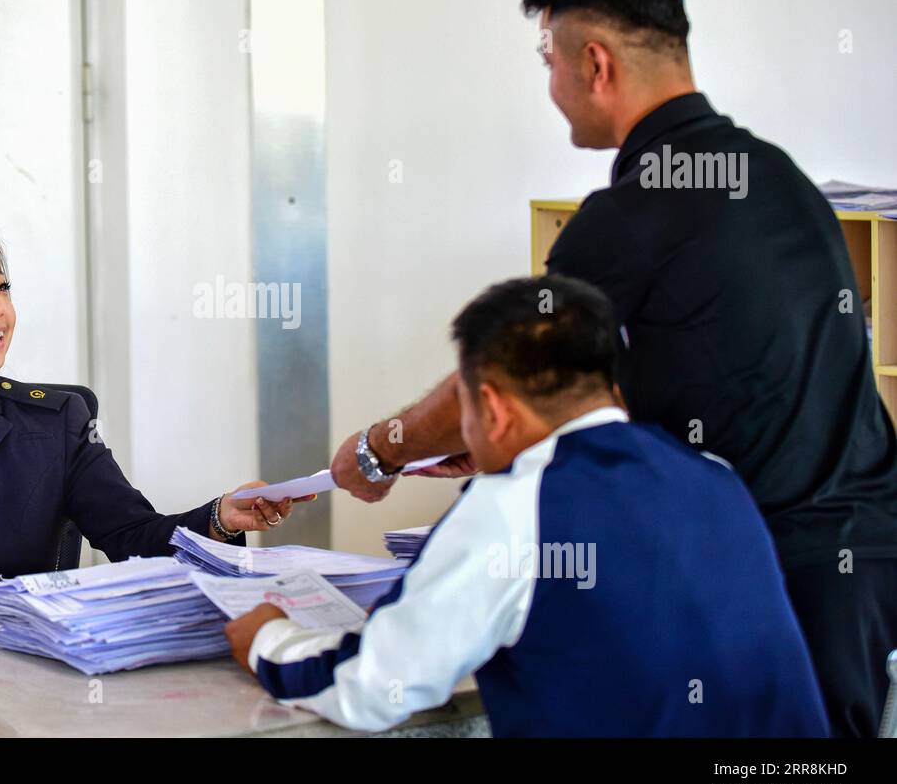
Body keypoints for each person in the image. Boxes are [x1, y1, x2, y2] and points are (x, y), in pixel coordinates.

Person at [329, 0, 897, 737]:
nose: (550, 84)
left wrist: (381, 448)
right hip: (857, 572)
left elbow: (506, 369)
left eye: (547, 58)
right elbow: (726, 369)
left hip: (757, 581)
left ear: (594, 63)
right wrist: (521, 434)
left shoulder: (629, 217)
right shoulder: (784, 181)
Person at [227, 276, 828, 736]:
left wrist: (268, 639)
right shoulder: (713, 476)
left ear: (492, 408)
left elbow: (373, 687)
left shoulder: (513, 505)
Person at [0, 222, 301, 629]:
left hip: (25, 670)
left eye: (1, 287)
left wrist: (221, 517)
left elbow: (135, 537)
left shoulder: (58, 422)